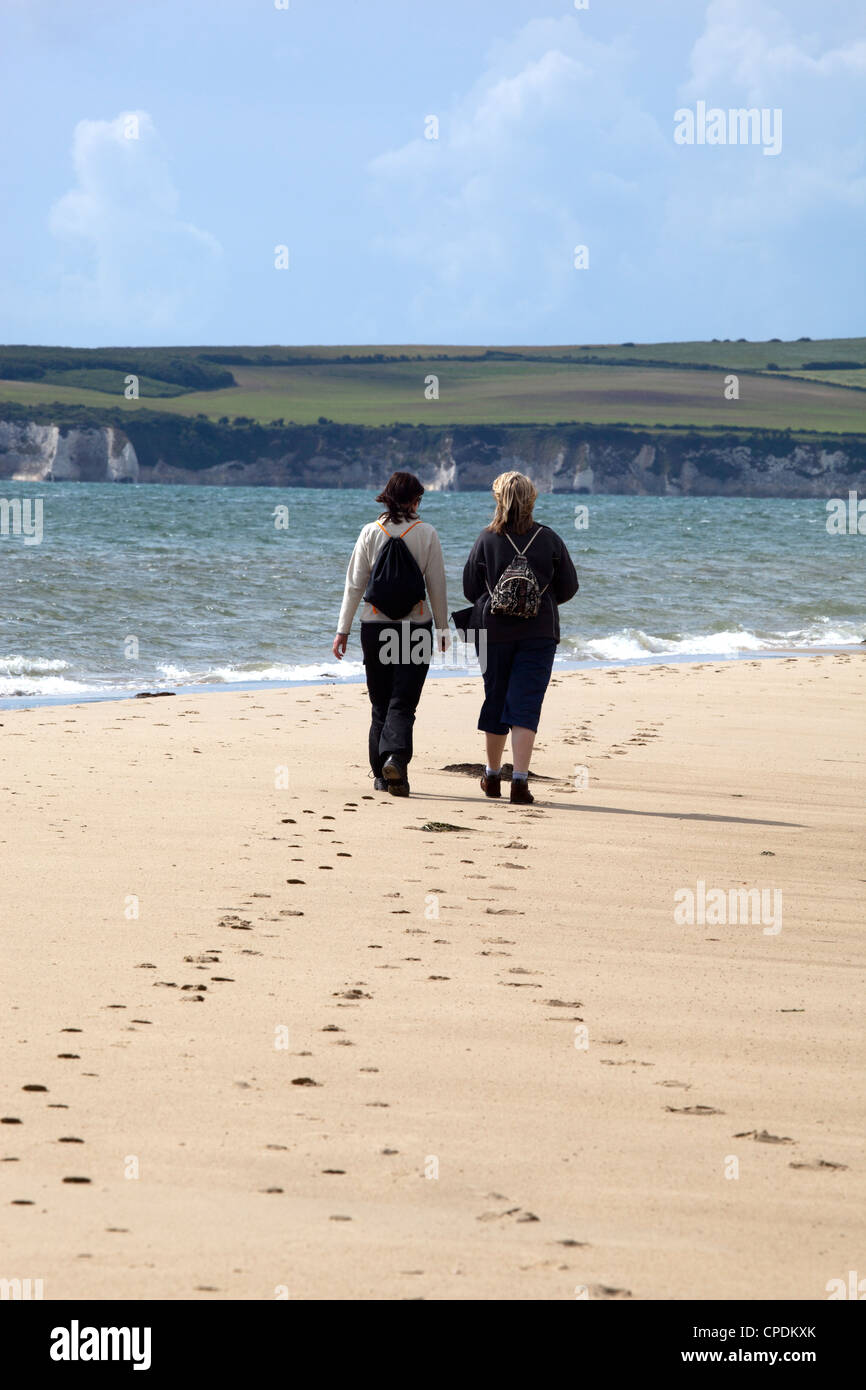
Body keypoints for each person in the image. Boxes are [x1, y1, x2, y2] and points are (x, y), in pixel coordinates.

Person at [462, 470, 578, 805]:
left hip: (493, 632)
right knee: (525, 704)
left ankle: (492, 775)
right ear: (532, 499)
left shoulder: (486, 539)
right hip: (539, 633)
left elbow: (470, 589)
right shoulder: (550, 538)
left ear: (498, 499)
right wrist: (538, 601)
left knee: (495, 699)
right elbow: (569, 587)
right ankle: (520, 781)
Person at [333, 471, 448, 796]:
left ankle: (382, 775)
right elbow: (436, 585)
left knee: (380, 702)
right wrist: (442, 627)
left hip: (375, 627)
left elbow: (354, 585)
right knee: (403, 702)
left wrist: (342, 630)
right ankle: (396, 758)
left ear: (386, 497)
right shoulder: (426, 533)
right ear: (414, 501)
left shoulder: (370, 532)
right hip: (416, 629)